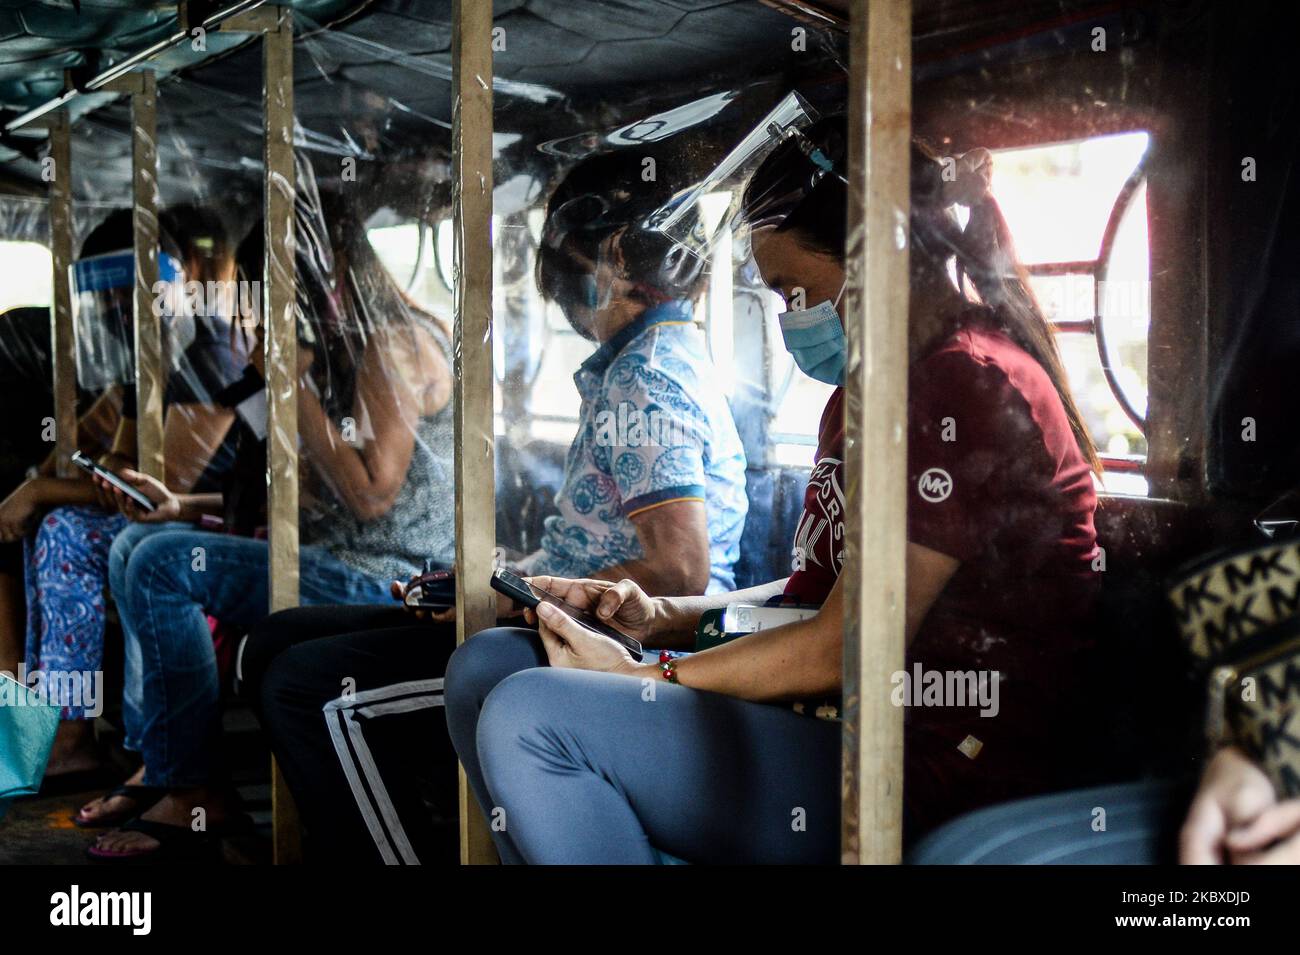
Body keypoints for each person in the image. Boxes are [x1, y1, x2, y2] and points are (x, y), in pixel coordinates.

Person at [443, 113, 1104, 863]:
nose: (794, 317)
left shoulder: (967, 387)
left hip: (924, 761)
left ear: (875, 253)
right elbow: (808, 600)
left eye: (798, 289)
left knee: (533, 715)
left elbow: (841, 647)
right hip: (834, 718)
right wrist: (658, 618)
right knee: (488, 665)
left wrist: (647, 675)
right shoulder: (859, 400)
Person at [240, 152, 749, 864]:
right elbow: (596, 542)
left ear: (615, 257)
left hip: (588, 640)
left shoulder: (648, 378)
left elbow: (677, 569)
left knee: (305, 685)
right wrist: (489, 582)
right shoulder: (631, 370)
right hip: (545, 610)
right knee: (277, 638)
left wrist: (519, 602)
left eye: (564, 249)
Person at [82, 187, 458, 861]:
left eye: (275, 294)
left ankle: (195, 786)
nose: (266, 315)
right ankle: (164, 764)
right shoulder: (343, 356)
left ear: (322, 277)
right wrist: (183, 505)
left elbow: (372, 494)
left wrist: (290, 385)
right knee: (139, 543)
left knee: (159, 564)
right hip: (332, 554)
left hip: (392, 577)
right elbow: (303, 498)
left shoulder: (393, 345)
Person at [0, 206, 248, 786]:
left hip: (216, 524)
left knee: (66, 532)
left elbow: (166, 491)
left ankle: (70, 735)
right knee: (50, 524)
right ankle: (39, 721)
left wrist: (40, 489)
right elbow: (119, 454)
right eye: (106, 299)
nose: (114, 310)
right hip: (167, 510)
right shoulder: (150, 359)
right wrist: (57, 480)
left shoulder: (210, 354)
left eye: (122, 294)